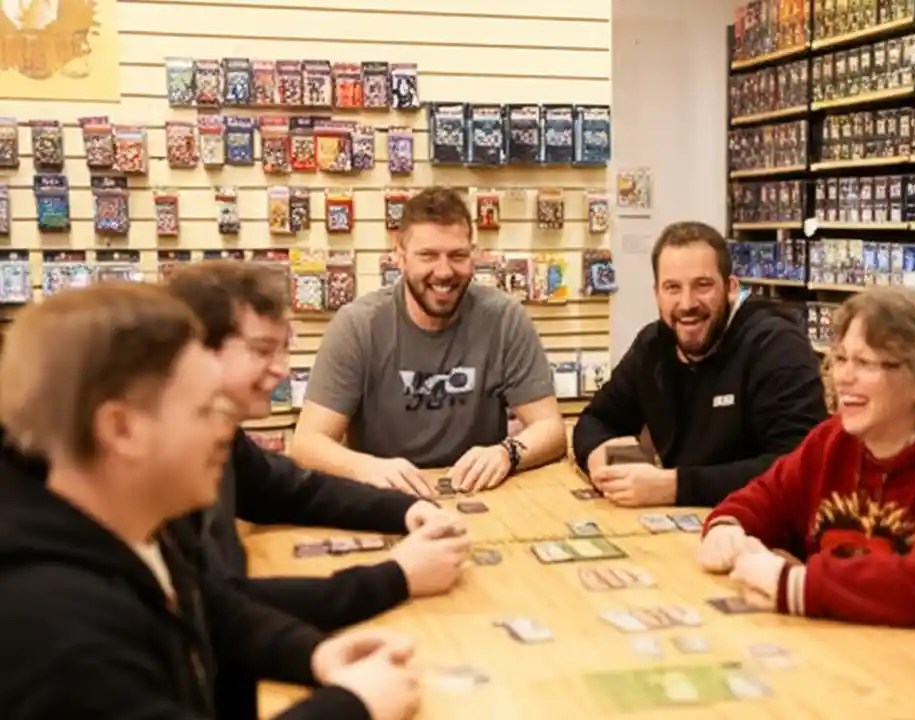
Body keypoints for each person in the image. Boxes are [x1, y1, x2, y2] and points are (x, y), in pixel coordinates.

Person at [0, 283, 420, 720]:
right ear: (121, 429)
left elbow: (210, 607)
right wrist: (353, 706)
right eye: (204, 411)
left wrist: (314, 653)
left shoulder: (134, 523)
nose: (226, 432)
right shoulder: (55, 627)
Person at [164, 260, 471, 717]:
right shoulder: (77, 579)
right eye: (263, 349)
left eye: (284, 350)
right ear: (194, 355)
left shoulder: (214, 439)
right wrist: (394, 577)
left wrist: (406, 509)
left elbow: (290, 492)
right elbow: (217, 601)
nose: (283, 370)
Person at [697, 286, 915, 627]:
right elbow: (763, 498)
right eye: (841, 359)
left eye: (865, 363)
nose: (844, 377)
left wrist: (799, 584)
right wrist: (727, 526)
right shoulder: (832, 440)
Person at [293, 186, 566, 493]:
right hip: (385, 497)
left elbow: (551, 429)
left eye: (458, 256)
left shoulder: (504, 318)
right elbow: (306, 444)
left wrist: (507, 453)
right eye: (428, 256)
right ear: (400, 257)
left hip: (480, 495)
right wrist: (367, 467)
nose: (444, 271)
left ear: (474, 255)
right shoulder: (358, 325)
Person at [572, 221, 827, 507]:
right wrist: (602, 457)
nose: (687, 303)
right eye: (672, 288)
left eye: (702, 285)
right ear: (656, 293)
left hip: (763, 533)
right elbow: (596, 419)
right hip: (684, 528)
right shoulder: (653, 344)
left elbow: (799, 466)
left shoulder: (776, 346)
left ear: (731, 288)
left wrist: (674, 487)